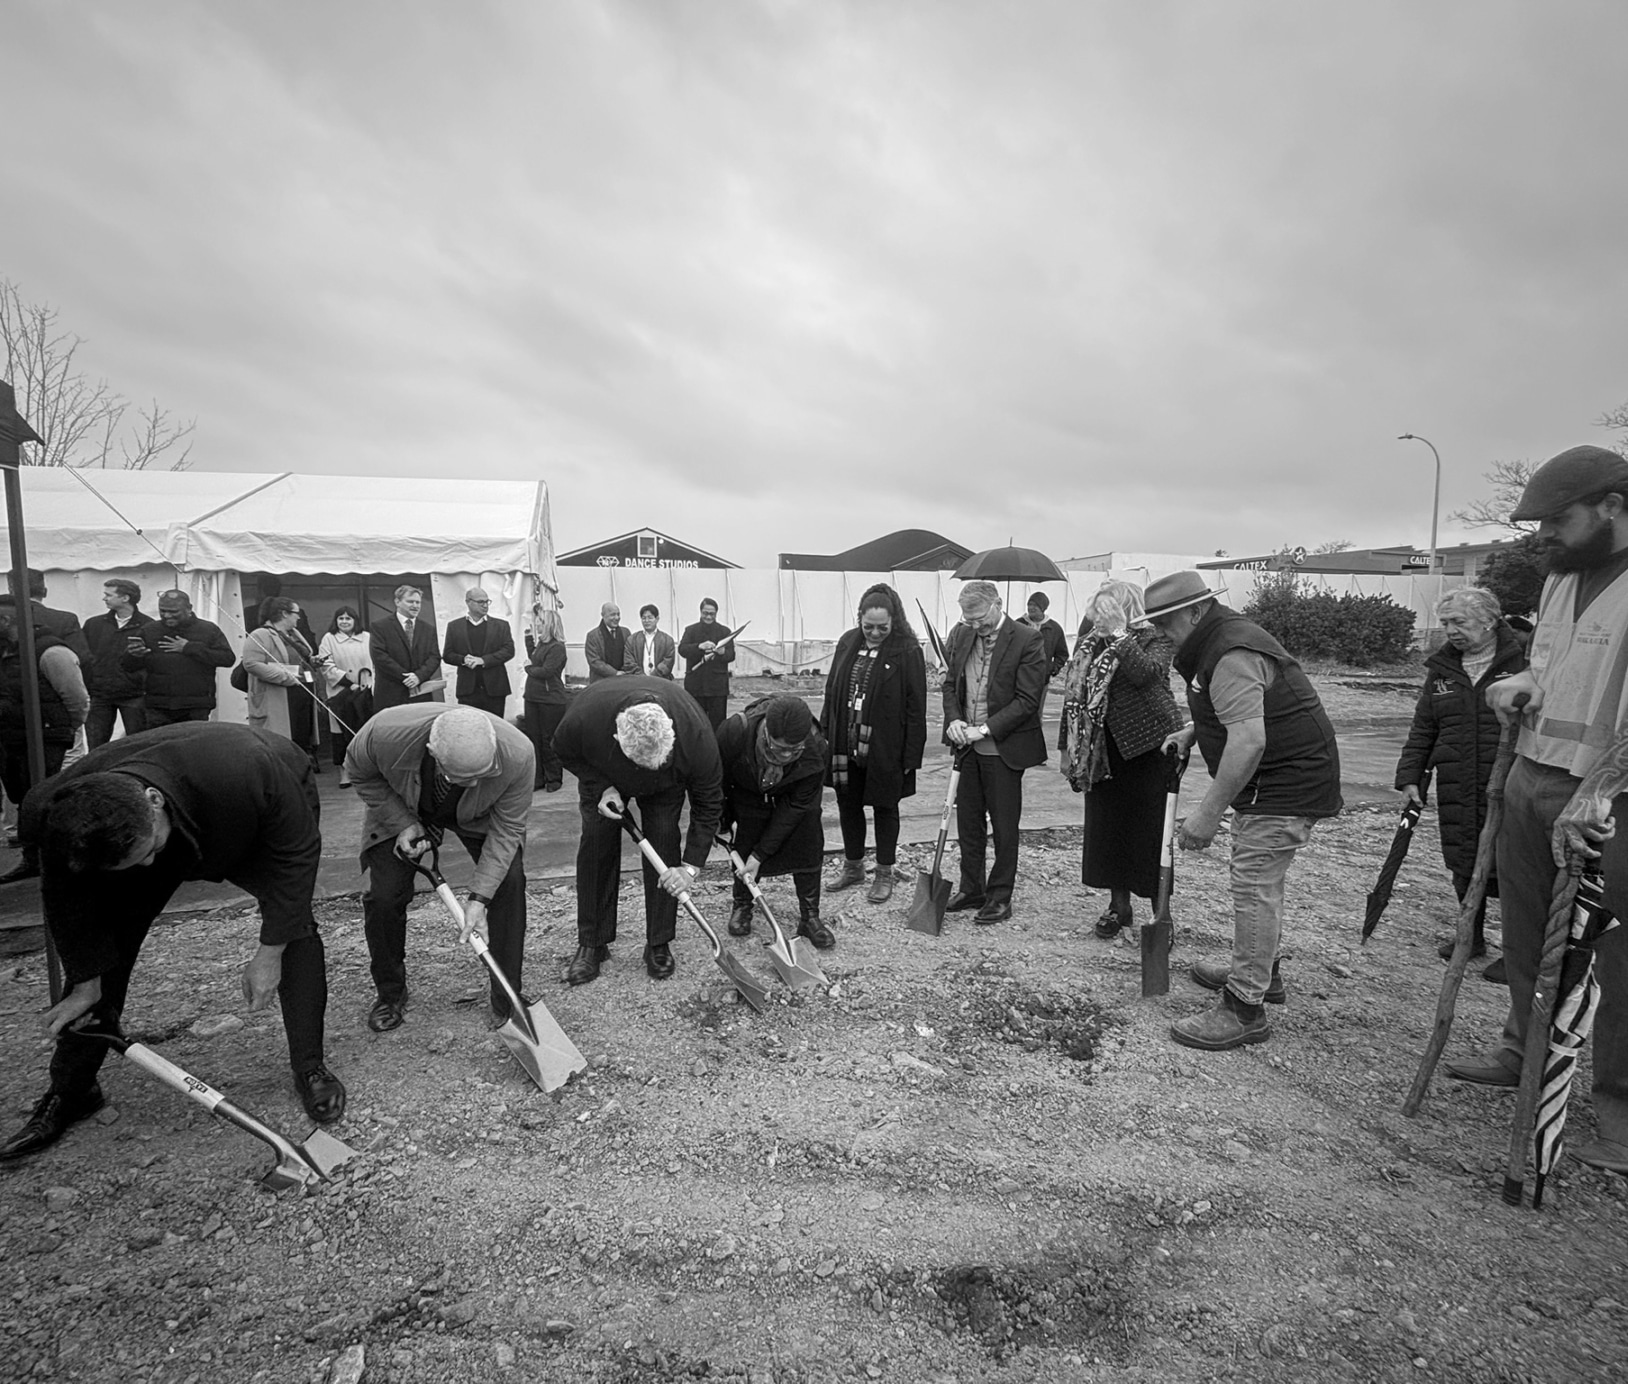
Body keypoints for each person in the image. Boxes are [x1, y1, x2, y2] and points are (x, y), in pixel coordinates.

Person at [0, 723, 345, 1163]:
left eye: (148, 850)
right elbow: (67, 900)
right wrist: (88, 979)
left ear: (153, 801)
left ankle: (309, 1066)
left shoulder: (252, 769)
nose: (147, 864)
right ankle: (72, 1091)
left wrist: (268, 951)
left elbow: (298, 860)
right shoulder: (57, 811)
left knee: (294, 925)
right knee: (106, 952)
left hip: (246, 818)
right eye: (134, 862)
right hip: (159, 819)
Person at [1444, 445, 1628, 1176]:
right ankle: (1525, 1055)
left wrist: (1599, 788)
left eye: (1559, 518)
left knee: (1614, 953)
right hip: (1529, 778)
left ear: (1612, 506)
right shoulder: (1561, 582)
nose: (1543, 534)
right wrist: (1519, 683)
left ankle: (1618, 1114)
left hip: (1608, 800)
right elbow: (1554, 669)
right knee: (1525, 930)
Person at [1146, 571, 1342, 1051]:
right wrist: (1195, 728)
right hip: (1274, 779)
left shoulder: (1231, 651)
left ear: (1195, 612)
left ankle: (1244, 1008)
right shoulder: (1218, 640)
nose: (1163, 636)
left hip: (1283, 782)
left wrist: (1208, 813)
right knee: (1257, 883)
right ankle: (1261, 972)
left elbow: (1249, 739)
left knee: (1254, 885)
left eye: (1167, 624)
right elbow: (1242, 709)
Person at [346, 704, 535, 1033]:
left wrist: (479, 898)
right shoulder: (384, 735)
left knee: (509, 882)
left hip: (480, 816)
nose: (476, 782)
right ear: (433, 753)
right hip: (403, 801)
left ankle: (507, 997)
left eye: (483, 774)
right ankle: (390, 993)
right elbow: (360, 772)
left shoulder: (518, 753)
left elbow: (506, 832)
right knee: (385, 897)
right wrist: (401, 822)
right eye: (465, 778)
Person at [1393, 586, 1527, 981]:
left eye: (1459, 622)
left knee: (1515, 867)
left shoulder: (1523, 662)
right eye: (1446, 622)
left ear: (1489, 621)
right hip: (1456, 778)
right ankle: (1471, 935)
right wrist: (1410, 776)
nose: (1450, 630)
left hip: (1510, 780)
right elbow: (1424, 727)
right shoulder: (1443, 669)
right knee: (1462, 856)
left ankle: (1519, 952)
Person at [553, 675, 723, 986]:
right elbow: (563, 751)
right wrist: (601, 787)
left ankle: (659, 941)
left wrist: (690, 868)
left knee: (663, 846)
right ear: (617, 738)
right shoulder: (584, 717)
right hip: (605, 777)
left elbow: (709, 803)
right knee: (596, 846)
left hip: (666, 785)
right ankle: (592, 942)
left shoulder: (695, 732)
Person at [1059, 580, 1182, 940]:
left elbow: (1146, 674)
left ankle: (1162, 916)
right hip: (1102, 751)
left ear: (1126, 610)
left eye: (1106, 613)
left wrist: (1117, 634)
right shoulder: (1089, 642)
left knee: (1151, 834)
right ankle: (1119, 906)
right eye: (1096, 613)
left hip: (1150, 749)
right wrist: (1068, 750)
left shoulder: (1155, 638)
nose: (1097, 620)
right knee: (1108, 831)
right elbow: (1074, 698)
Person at [941, 581, 1048, 924]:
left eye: (980, 619)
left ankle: (1000, 896)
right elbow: (949, 684)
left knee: (1004, 827)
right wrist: (955, 720)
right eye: (968, 619)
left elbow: (1027, 701)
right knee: (969, 824)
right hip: (966, 750)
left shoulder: (1028, 640)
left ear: (998, 604)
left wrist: (984, 729)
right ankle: (972, 887)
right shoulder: (961, 635)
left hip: (1003, 750)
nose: (975, 625)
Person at [820, 583, 926, 904]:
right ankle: (853, 866)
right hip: (845, 743)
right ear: (859, 620)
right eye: (869, 627)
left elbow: (915, 706)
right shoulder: (847, 642)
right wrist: (825, 734)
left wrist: (911, 754)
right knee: (848, 805)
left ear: (895, 620)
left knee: (884, 806)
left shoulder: (907, 650)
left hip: (886, 748)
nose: (875, 633)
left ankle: (884, 872)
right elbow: (831, 692)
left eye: (883, 627)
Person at [719, 694, 834, 949]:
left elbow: (796, 807)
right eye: (779, 748)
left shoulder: (815, 747)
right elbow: (716, 776)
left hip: (793, 796)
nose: (786, 756)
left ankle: (810, 916)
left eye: (794, 750)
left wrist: (761, 855)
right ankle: (742, 904)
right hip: (747, 790)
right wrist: (722, 816)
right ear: (767, 733)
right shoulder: (737, 731)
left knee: (808, 839)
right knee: (746, 841)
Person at [0, 595, 91, 884]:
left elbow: (77, 698)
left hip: (46, 736)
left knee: (45, 796)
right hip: (12, 736)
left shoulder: (51, 652)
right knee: (22, 796)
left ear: (6, 621)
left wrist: (65, 730)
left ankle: (62, 858)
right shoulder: (6, 652)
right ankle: (33, 858)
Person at [121, 590, 234, 727]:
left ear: (189, 609)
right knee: (161, 746)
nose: (167, 615)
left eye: (174, 612)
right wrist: (133, 655)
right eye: (162, 611)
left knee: (191, 747)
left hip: (195, 705)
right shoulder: (149, 630)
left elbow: (227, 659)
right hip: (158, 705)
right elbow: (127, 667)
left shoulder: (208, 630)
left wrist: (189, 647)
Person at [241, 596, 327, 766]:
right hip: (280, 696)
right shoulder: (260, 634)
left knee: (301, 736)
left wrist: (312, 662)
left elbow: (299, 658)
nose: (299, 617)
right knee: (281, 741)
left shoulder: (294, 634)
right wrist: (286, 677)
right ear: (284, 614)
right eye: (296, 613)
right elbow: (250, 663)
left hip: (302, 693)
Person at [82, 579, 148, 748]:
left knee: (137, 744)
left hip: (134, 694)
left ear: (125, 598)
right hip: (99, 694)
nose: (104, 599)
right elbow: (84, 655)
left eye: (108, 595)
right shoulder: (94, 624)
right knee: (96, 745)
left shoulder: (148, 626)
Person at [318, 605, 373, 787]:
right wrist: (349, 683)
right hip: (340, 692)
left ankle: (368, 769)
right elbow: (326, 666)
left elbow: (376, 661)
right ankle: (344, 773)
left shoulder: (367, 637)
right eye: (341, 618)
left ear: (355, 621)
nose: (344, 622)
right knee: (341, 733)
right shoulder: (329, 639)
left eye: (348, 618)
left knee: (365, 730)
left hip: (366, 690)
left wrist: (368, 685)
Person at [442, 586, 514, 717]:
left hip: (495, 689)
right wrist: (463, 660)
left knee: (495, 726)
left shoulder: (501, 625)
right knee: (469, 726)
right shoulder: (454, 626)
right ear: (468, 602)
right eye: (481, 602)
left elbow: (509, 650)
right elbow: (448, 655)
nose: (485, 605)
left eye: (487, 602)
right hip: (468, 689)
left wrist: (483, 660)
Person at [369, 584, 440, 712]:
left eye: (418, 602)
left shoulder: (428, 629)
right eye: (410, 601)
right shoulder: (380, 627)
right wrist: (406, 677)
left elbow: (434, 657)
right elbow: (379, 656)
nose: (415, 605)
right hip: (390, 694)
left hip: (420, 695)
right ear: (397, 602)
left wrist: (418, 676)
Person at [522, 608, 568, 792]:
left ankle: (554, 777)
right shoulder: (542, 644)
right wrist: (528, 641)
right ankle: (538, 777)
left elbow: (547, 671)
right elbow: (536, 659)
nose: (538, 623)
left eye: (540, 621)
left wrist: (528, 668)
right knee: (534, 738)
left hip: (550, 699)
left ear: (549, 623)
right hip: (533, 697)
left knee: (548, 739)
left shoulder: (557, 647)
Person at [679, 598, 735, 730]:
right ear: (700, 612)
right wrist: (699, 646)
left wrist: (722, 652)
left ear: (716, 613)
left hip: (717, 687)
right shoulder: (691, 630)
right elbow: (682, 649)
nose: (708, 616)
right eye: (705, 613)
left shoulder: (725, 632)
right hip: (696, 684)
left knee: (718, 723)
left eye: (712, 613)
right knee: (696, 722)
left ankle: (718, 749)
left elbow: (731, 655)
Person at [23, 569, 92, 666]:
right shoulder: (65, 620)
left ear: (11, 590)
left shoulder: (5, 618)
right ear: (45, 592)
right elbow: (82, 659)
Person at [1019, 591, 1069, 679]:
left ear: (1043, 608)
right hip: (1019, 676)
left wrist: (1052, 669)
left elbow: (1062, 654)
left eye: (1035, 605)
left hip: (1041, 678)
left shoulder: (1054, 629)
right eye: (1029, 604)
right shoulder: (1019, 624)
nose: (1031, 608)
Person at [623, 604, 676, 680]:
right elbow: (629, 662)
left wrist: (653, 678)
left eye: (650, 618)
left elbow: (668, 662)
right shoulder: (632, 640)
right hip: (638, 682)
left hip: (661, 681)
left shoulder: (667, 640)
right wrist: (642, 677)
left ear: (657, 619)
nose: (646, 621)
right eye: (643, 618)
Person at [584, 603, 628, 683]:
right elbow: (594, 661)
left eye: (618, 614)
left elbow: (630, 655)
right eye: (612, 615)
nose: (617, 618)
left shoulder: (625, 633)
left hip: (623, 680)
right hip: (600, 681)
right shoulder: (593, 636)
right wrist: (615, 673)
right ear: (603, 615)